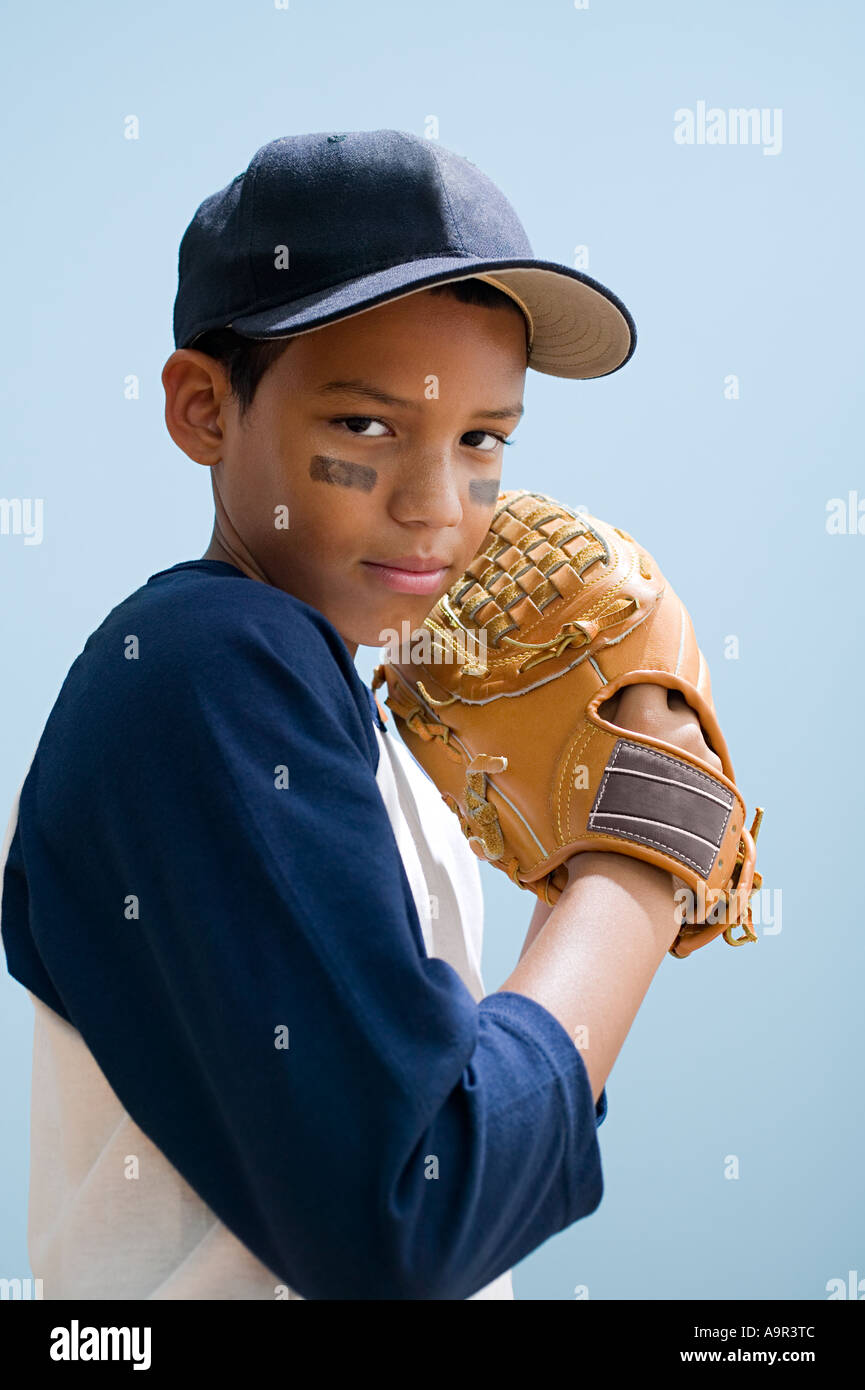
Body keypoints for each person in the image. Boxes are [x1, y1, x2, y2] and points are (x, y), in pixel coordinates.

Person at [0, 130, 723, 1300]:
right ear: (202, 409)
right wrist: (645, 849)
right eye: (366, 428)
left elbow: (437, 1159)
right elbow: (413, 1205)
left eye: (483, 439)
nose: (439, 504)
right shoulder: (205, 659)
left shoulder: (328, 701)